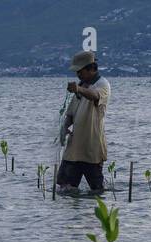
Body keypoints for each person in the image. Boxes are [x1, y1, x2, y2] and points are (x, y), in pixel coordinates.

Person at [56, 50, 111, 196]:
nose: (78, 75)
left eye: (80, 71)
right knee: (64, 189)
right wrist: (64, 127)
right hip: (74, 148)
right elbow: (71, 113)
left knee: (97, 190)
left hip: (91, 148)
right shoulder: (81, 85)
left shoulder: (102, 84)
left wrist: (79, 89)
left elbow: (94, 96)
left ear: (91, 68)